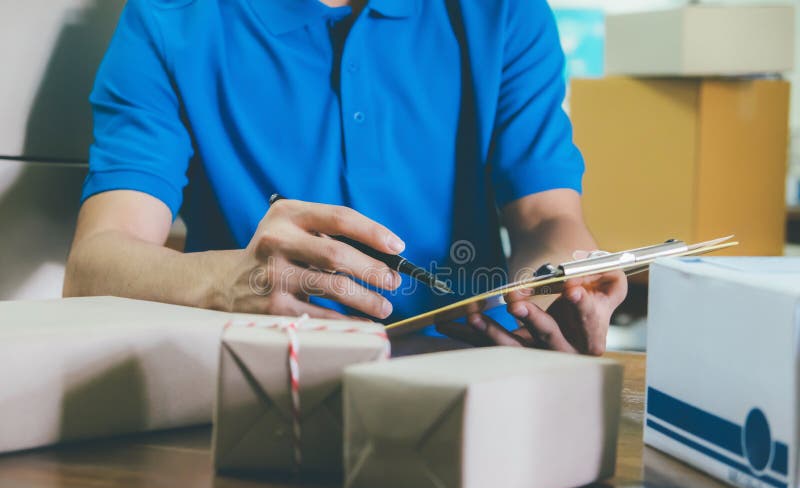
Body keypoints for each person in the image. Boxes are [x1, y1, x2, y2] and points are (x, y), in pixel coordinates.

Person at [64, 0, 627, 355]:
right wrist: (227, 279)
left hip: (477, 374)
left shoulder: (506, 12)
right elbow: (96, 263)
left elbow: (550, 218)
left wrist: (562, 287)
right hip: (262, 385)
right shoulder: (168, 20)